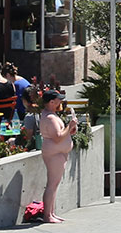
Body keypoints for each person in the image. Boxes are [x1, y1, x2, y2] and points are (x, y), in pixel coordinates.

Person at [39, 88, 76, 224]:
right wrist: (70, 125)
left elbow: (62, 134)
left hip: (58, 153)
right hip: (54, 154)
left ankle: (51, 213)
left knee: (54, 184)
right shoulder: (49, 117)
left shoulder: (52, 115)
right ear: (52, 102)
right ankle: (47, 215)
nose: (61, 102)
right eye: (58, 100)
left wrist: (70, 129)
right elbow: (58, 137)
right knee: (52, 185)